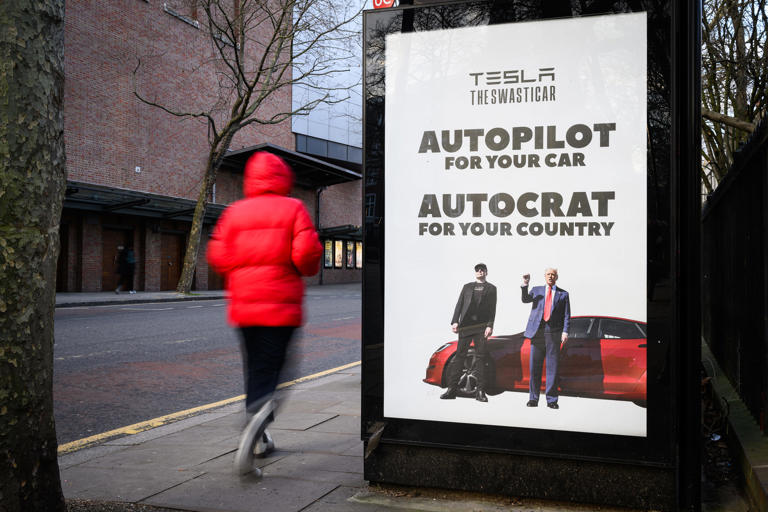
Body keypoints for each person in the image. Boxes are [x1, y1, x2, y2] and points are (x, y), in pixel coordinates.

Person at [207, 151, 322, 476]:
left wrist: (241, 267)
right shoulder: (294, 208)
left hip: (244, 306)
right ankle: (258, 420)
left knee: (255, 367)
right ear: (283, 178)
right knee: (275, 372)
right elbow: (307, 256)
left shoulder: (234, 211)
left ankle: (259, 437)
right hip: (281, 306)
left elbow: (218, 254)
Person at [441, 263, 497, 402]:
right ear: (475, 272)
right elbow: (459, 304)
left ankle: (480, 392)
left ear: (486, 272)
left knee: (480, 358)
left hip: (481, 327)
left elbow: (492, 309)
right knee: (459, 357)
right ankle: (452, 390)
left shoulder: (492, 288)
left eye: (482, 269)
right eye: (477, 270)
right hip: (465, 326)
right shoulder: (467, 287)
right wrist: (455, 321)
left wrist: (490, 325)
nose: (479, 271)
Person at [521, 268, 570, 409]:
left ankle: (552, 400)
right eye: (548, 274)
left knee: (552, 368)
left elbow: (567, 315)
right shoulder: (536, 290)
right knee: (534, 368)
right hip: (537, 333)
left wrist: (565, 331)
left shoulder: (563, 294)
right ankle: (533, 399)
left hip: (553, 333)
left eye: (553, 274)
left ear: (557, 277)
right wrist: (525, 284)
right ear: (544, 276)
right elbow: (525, 299)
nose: (550, 276)